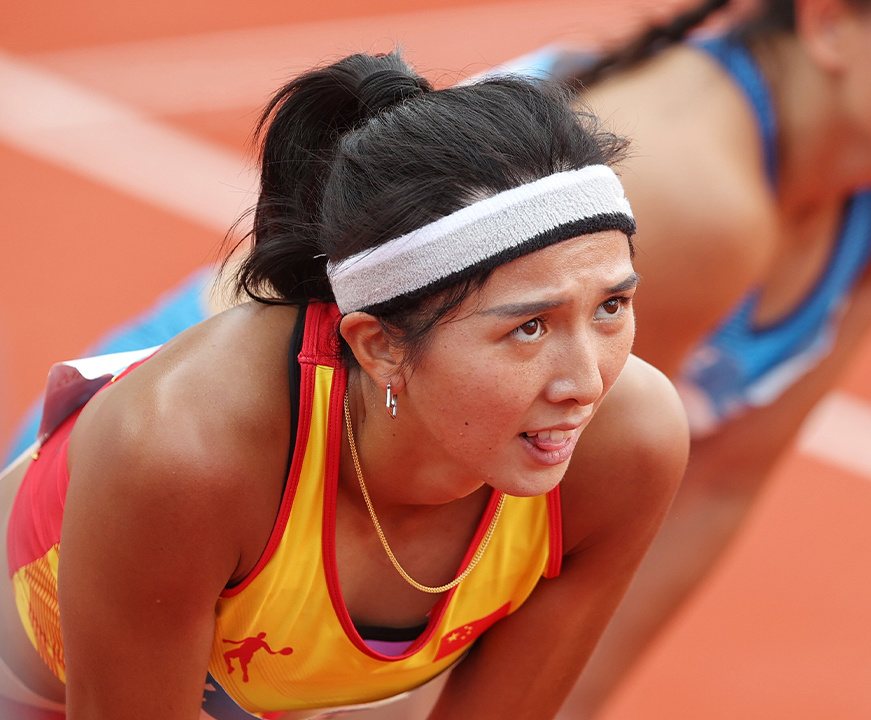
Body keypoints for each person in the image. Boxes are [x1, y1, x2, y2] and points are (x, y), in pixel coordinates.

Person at [5, 0, 871, 716]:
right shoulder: (692, 196)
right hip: (195, 513)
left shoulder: (621, 415)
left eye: (616, 307)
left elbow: (724, 479)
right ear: (830, 20)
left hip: (395, 464)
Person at [0, 50, 688, 720]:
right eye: (530, 328)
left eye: (610, 307)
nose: (587, 382)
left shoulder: (629, 445)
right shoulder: (184, 452)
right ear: (381, 345)